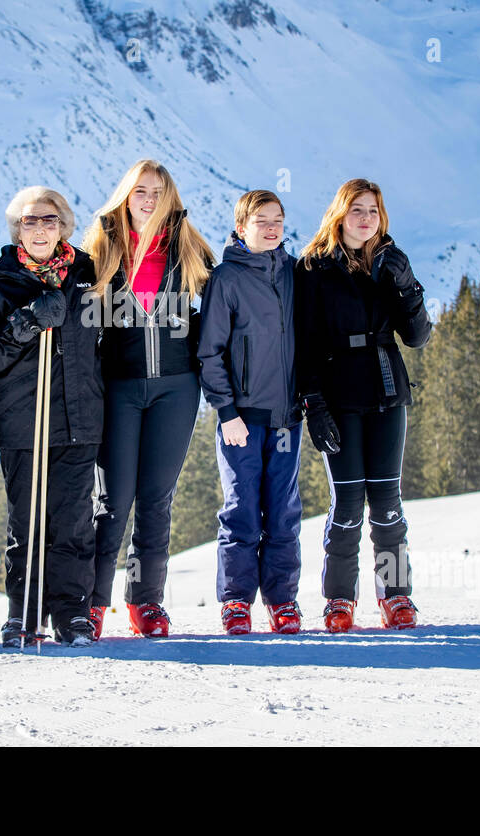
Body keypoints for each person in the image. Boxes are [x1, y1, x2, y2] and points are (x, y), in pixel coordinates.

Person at [82, 159, 214, 638]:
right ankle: (92, 604)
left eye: (158, 191)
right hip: (118, 388)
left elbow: (222, 302)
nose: (149, 199)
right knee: (112, 502)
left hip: (176, 389)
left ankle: (146, 603)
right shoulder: (101, 246)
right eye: (141, 190)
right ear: (126, 194)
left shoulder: (187, 245)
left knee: (156, 500)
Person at [295, 178, 431, 632]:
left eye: (373, 210)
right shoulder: (313, 268)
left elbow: (417, 336)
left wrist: (407, 283)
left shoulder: (390, 261)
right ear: (339, 214)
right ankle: (339, 599)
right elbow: (304, 344)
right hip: (338, 396)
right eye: (357, 209)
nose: (366, 219)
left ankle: (396, 597)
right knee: (349, 504)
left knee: (388, 503)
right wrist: (314, 403)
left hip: (388, 392)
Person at [0, 186, 104, 648]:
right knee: (26, 522)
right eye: (29, 221)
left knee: (73, 521)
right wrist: (26, 321)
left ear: (63, 226)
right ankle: (23, 611)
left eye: (48, 220)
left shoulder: (89, 274)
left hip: (80, 418)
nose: (39, 229)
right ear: (16, 229)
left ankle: (71, 612)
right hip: (23, 421)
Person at [197, 190, 303, 635]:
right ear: (242, 228)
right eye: (262, 220)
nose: (272, 227)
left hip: (285, 417)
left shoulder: (295, 274)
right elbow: (209, 353)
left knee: (283, 511)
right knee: (241, 509)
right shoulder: (227, 278)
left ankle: (282, 600)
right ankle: (237, 602)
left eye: (278, 219)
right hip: (240, 417)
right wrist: (226, 410)